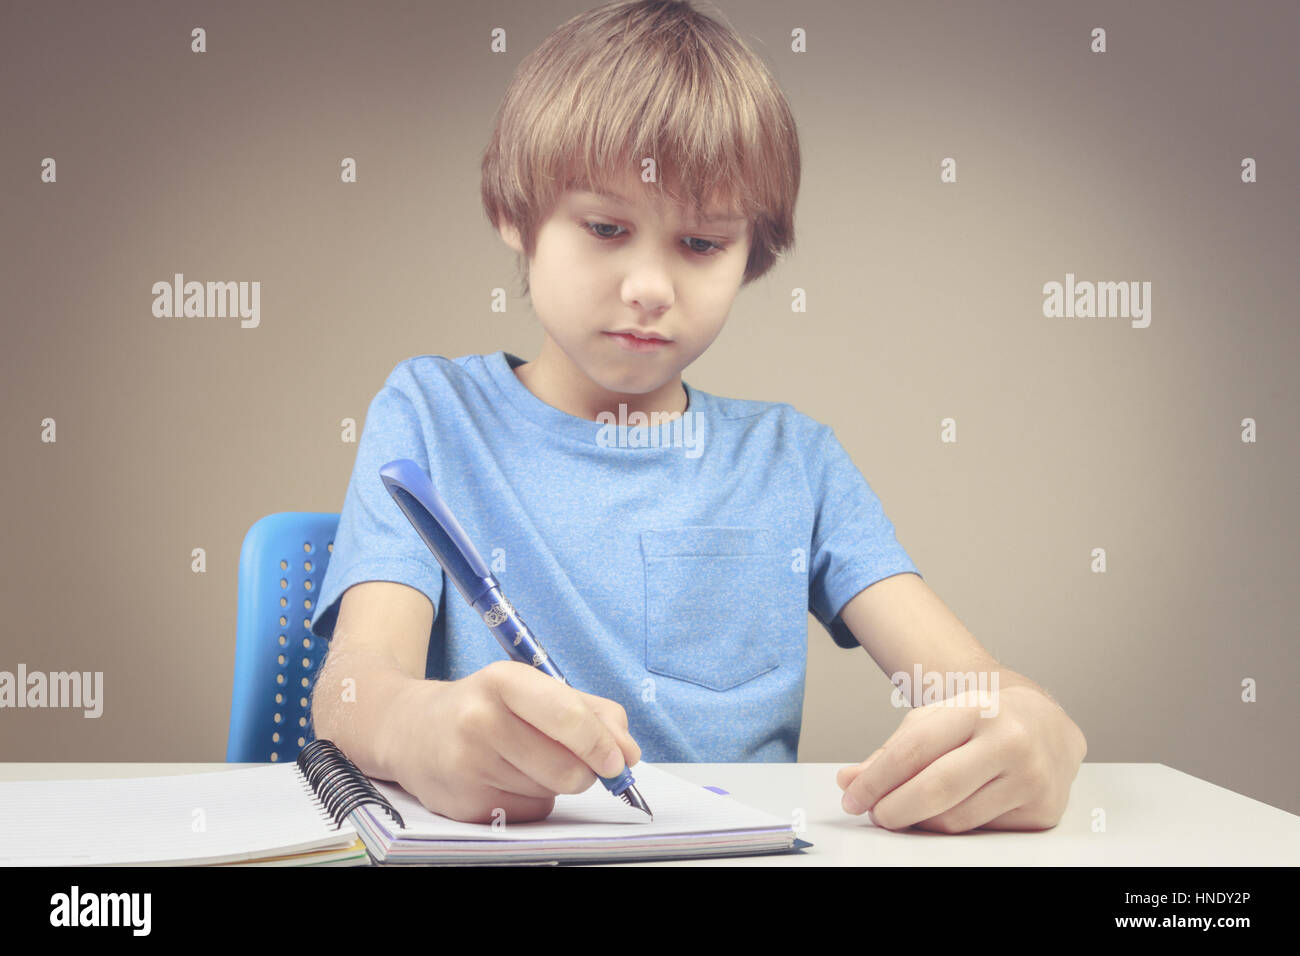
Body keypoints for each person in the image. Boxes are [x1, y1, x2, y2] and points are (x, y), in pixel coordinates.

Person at [308, 0, 1086, 832]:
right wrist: (417, 727)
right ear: (514, 214)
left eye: (702, 244)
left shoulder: (796, 460)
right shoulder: (431, 414)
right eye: (606, 227)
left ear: (754, 254)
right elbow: (357, 684)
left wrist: (1034, 728)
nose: (650, 286)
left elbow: (971, 686)